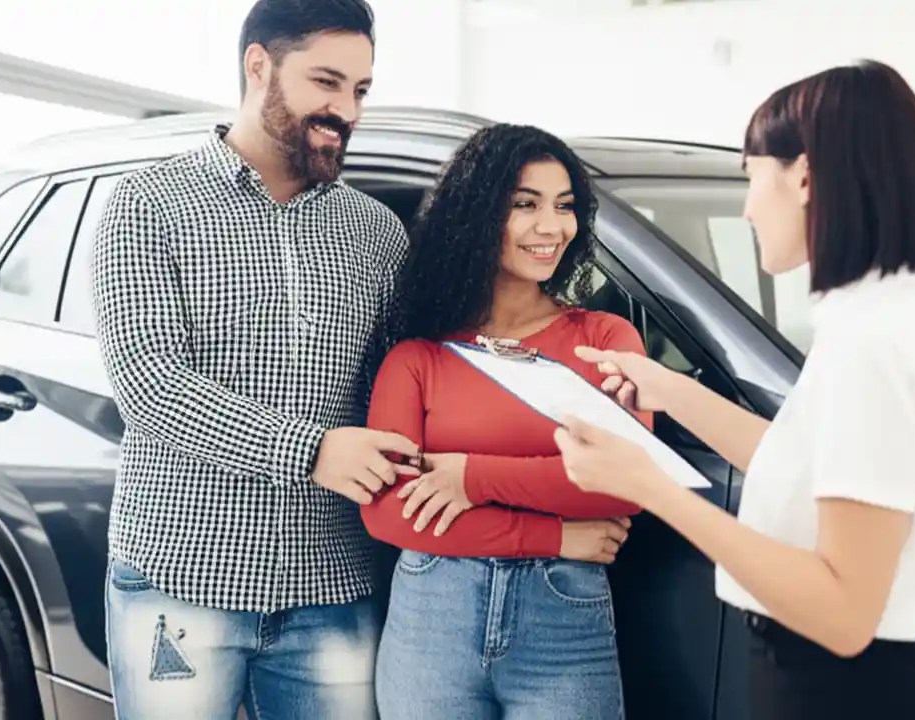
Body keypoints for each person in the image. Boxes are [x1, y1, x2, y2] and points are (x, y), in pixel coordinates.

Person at [553, 60, 915, 720]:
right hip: (900, 680)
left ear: (804, 177)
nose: (747, 208)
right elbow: (809, 467)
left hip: (850, 692)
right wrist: (671, 390)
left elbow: (842, 611)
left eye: (751, 176)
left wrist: (649, 486)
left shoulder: (870, 346)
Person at [90, 1, 420, 717]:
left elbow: (404, 392)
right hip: (180, 576)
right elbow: (150, 384)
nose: (346, 110)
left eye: (360, 90)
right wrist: (312, 451)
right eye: (326, 82)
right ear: (258, 66)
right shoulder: (148, 205)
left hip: (333, 583)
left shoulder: (377, 232)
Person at [362, 123, 647, 719]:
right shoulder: (418, 357)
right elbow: (388, 512)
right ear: (476, 216)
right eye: (526, 205)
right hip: (430, 627)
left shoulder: (605, 340)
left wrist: (470, 478)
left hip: (562, 625)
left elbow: (629, 480)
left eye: (564, 206)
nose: (552, 227)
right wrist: (556, 534)